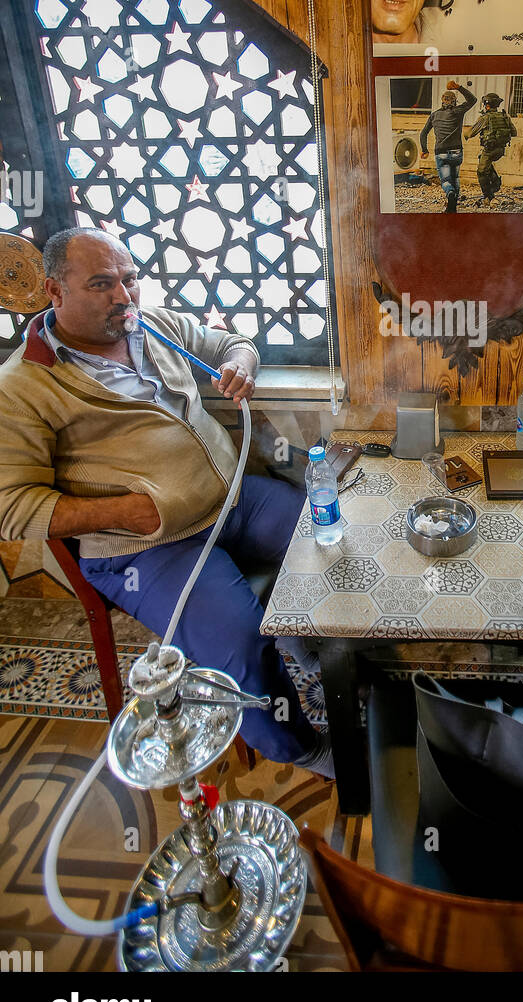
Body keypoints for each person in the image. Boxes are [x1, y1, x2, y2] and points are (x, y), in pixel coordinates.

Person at [0, 228, 333, 776]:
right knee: (241, 642)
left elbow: (230, 345)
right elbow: (12, 508)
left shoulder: (153, 326)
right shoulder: (23, 387)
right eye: (102, 284)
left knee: (330, 536)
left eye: (129, 280)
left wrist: (242, 367)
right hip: (147, 548)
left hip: (232, 500)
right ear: (53, 291)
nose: (124, 298)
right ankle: (301, 747)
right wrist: (118, 513)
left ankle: (308, 646)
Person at [418, 80, 477, 213]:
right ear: (455, 101)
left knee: (445, 180)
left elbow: (423, 133)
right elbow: (473, 100)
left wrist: (425, 150)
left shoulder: (434, 115)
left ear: (442, 101)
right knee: (455, 178)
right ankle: (452, 208)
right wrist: (459, 87)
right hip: (457, 152)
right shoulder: (458, 111)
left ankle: (450, 193)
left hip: (441, 152)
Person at [467, 92, 517, 202]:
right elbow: (514, 133)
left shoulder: (485, 118)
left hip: (489, 150)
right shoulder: (505, 116)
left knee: (481, 172)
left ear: (487, 105)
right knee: (483, 161)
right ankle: (494, 183)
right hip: (500, 150)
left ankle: (488, 195)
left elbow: (469, 134)